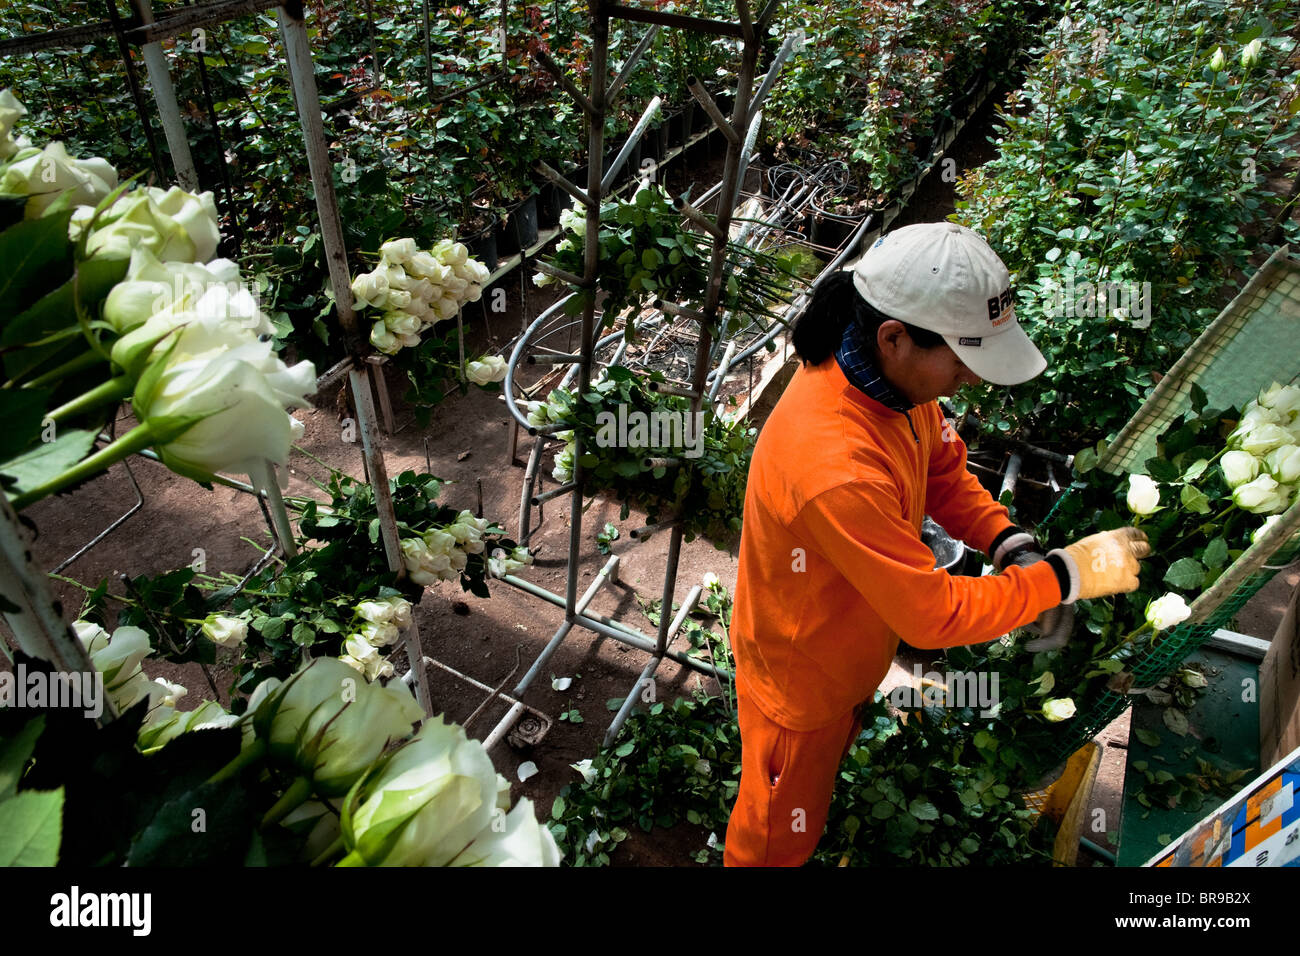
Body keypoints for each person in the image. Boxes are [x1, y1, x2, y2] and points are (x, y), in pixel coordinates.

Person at [723, 222, 1151, 867]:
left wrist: (1010, 544)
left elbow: (942, 473)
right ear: (895, 337)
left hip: (849, 650)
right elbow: (933, 615)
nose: (970, 379)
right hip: (802, 678)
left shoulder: (893, 385)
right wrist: (1063, 576)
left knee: (818, 781)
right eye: (960, 360)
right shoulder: (832, 465)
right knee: (776, 833)